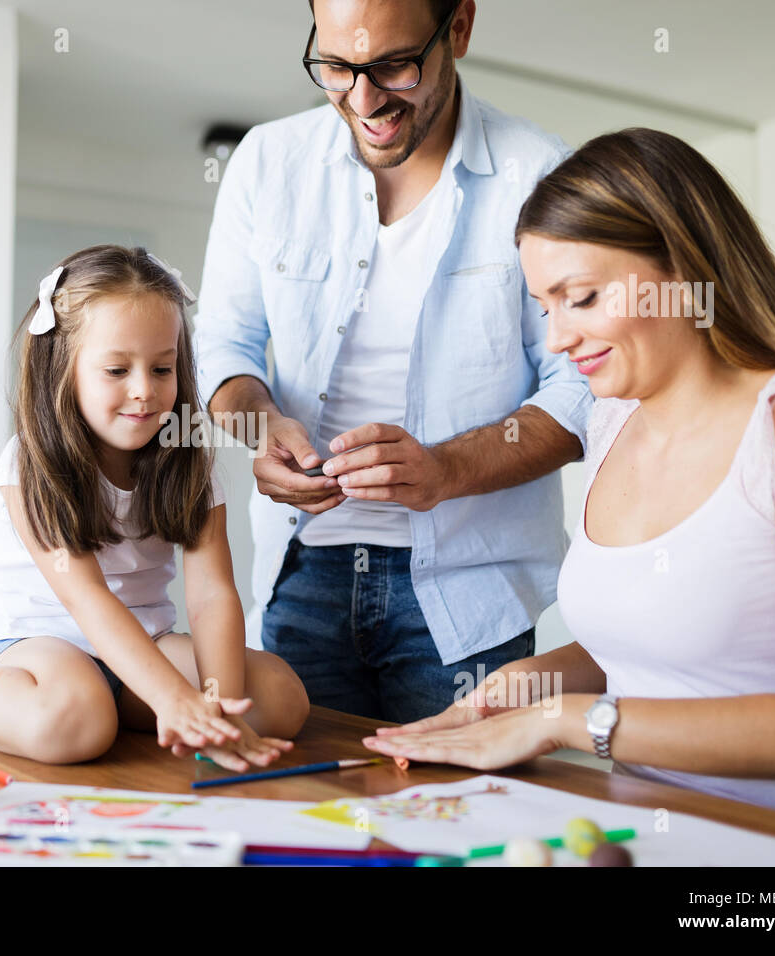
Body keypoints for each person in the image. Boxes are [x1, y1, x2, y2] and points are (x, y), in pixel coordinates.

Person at [363, 128, 775, 826]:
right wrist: (512, 690)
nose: (559, 339)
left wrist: (567, 723)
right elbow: (652, 645)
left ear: (681, 265)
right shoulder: (610, 421)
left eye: (583, 298)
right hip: (641, 829)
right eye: (546, 308)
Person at [194, 0, 591, 722]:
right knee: (299, 803)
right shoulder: (267, 162)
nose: (365, 99)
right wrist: (262, 425)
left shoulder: (540, 174)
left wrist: (448, 470)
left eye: (393, 67)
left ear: (460, 29)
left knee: (459, 811)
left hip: (472, 589)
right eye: (338, 67)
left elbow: (581, 390)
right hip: (300, 567)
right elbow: (221, 343)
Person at [0, 245, 308, 770]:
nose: (144, 391)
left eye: (162, 368)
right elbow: (86, 597)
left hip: (142, 642)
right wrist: (175, 698)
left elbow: (210, 593)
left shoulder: (185, 453)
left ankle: (134, 705)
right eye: (116, 370)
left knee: (279, 696)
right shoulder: (30, 463)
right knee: (77, 723)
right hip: (33, 642)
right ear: (64, 369)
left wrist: (216, 705)